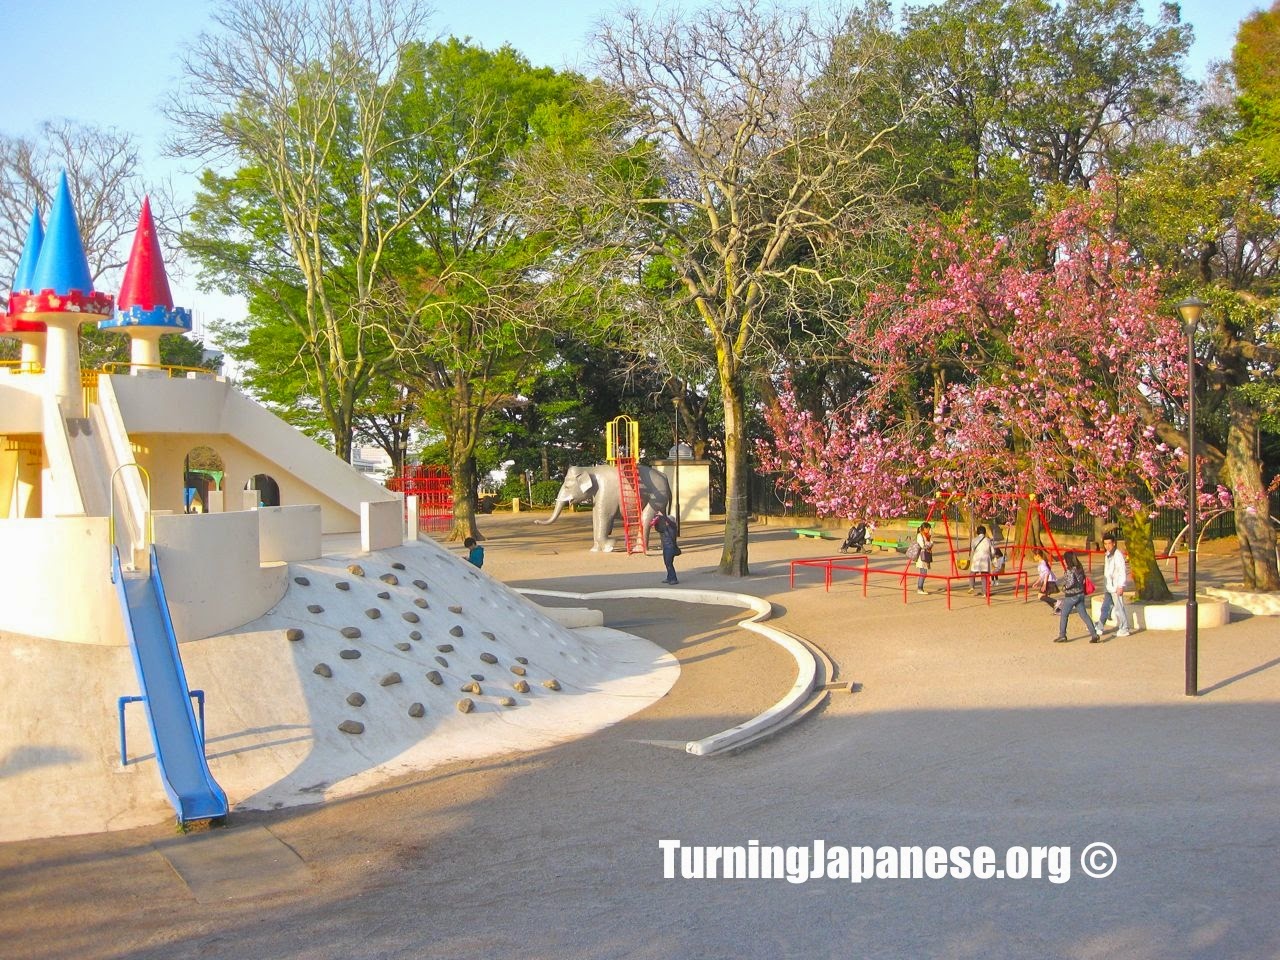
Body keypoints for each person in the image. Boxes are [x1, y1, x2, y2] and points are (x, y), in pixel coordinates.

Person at [1054, 551, 1099, 643]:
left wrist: (1064, 587)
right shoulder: (1079, 568)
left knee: (1064, 615)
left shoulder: (1069, 570)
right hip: (1080, 594)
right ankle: (1094, 634)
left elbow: (1070, 583)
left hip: (1071, 596)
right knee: (1084, 615)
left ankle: (1062, 635)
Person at [1098, 531, 1132, 637]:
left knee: (1119, 608)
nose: (1107, 546)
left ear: (1113, 543)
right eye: (1105, 544)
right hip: (1108, 585)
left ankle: (1124, 628)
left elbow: (1122, 571)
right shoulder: (1107, 555)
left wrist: (1121, 585)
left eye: (1109, 543)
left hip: (1116, 586)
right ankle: (1099, 626)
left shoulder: (1118, 555)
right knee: (1105, 607)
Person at [651, 510, 680, 584]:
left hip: (670, 547)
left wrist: (662, 516)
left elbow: (669, 522)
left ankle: (674, 579)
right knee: (667, 563)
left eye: (668, 520)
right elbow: (658, 529)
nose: (666, 522)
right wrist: (656, 522)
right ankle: (669, 577)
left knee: (669, 563)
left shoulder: (673, 527)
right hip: (666, 547)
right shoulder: (665, 528)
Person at [967, 525, 994, 595]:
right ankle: (985, 593)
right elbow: (993, 552)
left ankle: (971, 586)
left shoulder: (974, 540)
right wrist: (991, 557)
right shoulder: (988, 540)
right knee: (984, 576)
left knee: (972, 572)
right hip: (985, 559)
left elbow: (972, 550)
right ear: (985, 532)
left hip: (977, 558)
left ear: (977, 532)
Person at [912, 522, 933, 594]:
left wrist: (930, 543)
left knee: (924, 572)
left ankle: (920, 588)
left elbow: (929, 543)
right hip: (922, 556)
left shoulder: (926, 535)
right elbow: (922, 545)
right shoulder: (920, 535)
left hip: (925, 555)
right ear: (925, 528)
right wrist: (929, 544)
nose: (929, 530)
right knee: (923, 573)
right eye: (928, 529)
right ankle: (920, 588)